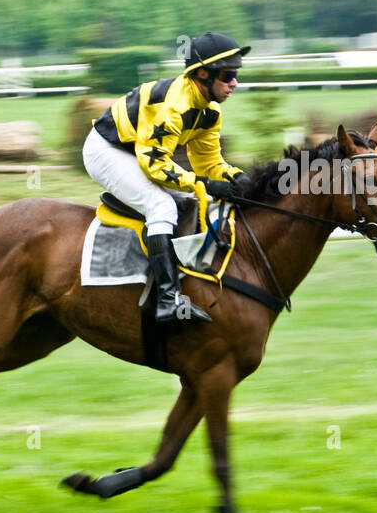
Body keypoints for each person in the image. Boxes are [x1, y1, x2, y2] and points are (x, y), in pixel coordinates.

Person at [83, 32, 251, 323]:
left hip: (138, 151)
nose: (234, 82)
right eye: (228, 74)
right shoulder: (173, 107)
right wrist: (205, 184)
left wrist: (244, 181)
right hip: (106, 150)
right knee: (162, 206)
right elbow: (155, 165)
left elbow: (210, 162)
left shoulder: (209, 110)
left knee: (201, 198)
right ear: (202, 74)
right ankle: (166, 298)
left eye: (236, 73)